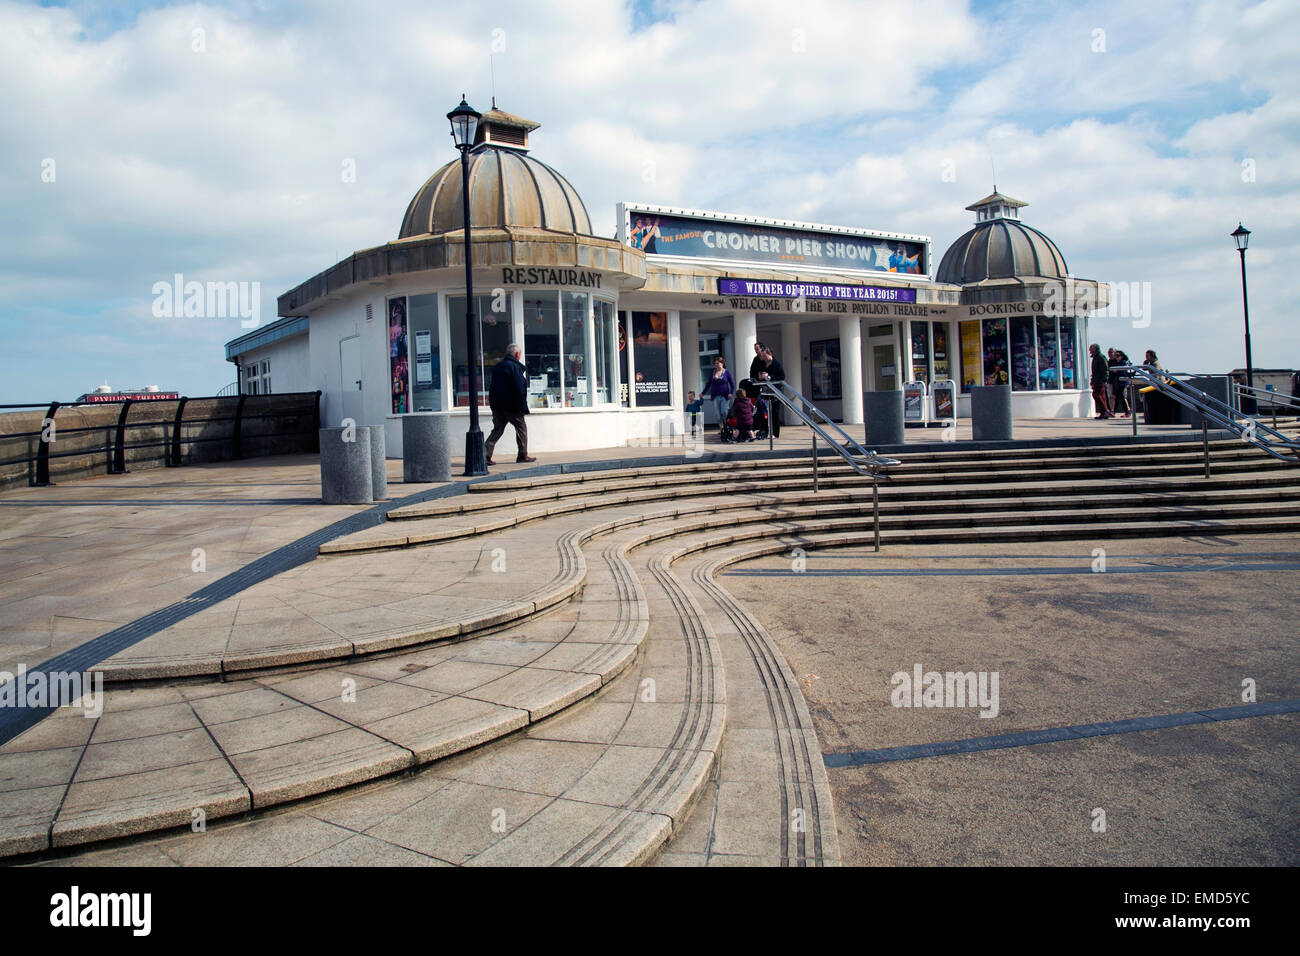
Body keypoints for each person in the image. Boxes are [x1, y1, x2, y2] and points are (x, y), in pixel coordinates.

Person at [485, 344, 536, 465]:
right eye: (520, 354)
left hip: (498, 405)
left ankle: (485, 455)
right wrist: (523, 407)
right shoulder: (515, 367)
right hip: (512, 406)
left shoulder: (498, 367)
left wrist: (493, 404)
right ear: (517, 354)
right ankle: (522, 455)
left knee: (497, 430)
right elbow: (519, 389)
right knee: (521, 429)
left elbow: (493, 387)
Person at [753, 346, 787, 437]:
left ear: (770, 354)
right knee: (764, 412)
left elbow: (782, 376)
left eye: (765, 356)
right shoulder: (762, 364)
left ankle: (775, 433)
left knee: (775, 413)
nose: (763, 358)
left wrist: (769, 376)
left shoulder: (776, 364)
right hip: (765, 391)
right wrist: (760, 377)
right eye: (762, 356)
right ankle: (765, 431)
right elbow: (757, 374)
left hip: (775, 392)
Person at [702, 356, 735, 438]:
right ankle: (722, 429)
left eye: (718, 363)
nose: (716, 365)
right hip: (715, 396)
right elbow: (708, 384)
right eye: (715, 363)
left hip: (724, 395)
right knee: (718, 414)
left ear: (722, 363)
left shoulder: (726, 372)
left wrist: (731, 393)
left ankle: (727, 426)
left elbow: (732, 384)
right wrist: (703, 393)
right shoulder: (713, 372)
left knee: (724, 411)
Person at [1089, 343, 1113, 419]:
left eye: (1091, 349)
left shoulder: (1101, 357)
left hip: (1100, 381)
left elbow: (1105, 370)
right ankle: (1104, 412)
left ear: (1095, 349)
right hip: (1096, 380)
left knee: (1097, 395)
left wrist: (1104, 380)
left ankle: (1105, 411)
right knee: (1101, 396)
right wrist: (1092, 380)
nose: (1090, 351)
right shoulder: (1096, 358)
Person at [1108, 348, 1131, 417]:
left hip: (1123, 383)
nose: (1116, 357)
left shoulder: (1123, 362)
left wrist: (1117, 371)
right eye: (1115, 356)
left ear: (1121, 356)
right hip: (1118, 383)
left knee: (1120, 397)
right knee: (1119, 397)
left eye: (1118, 355)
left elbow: (1124, 372)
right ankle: (1126, 412)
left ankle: (1116, 412)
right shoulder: (1117, 363)